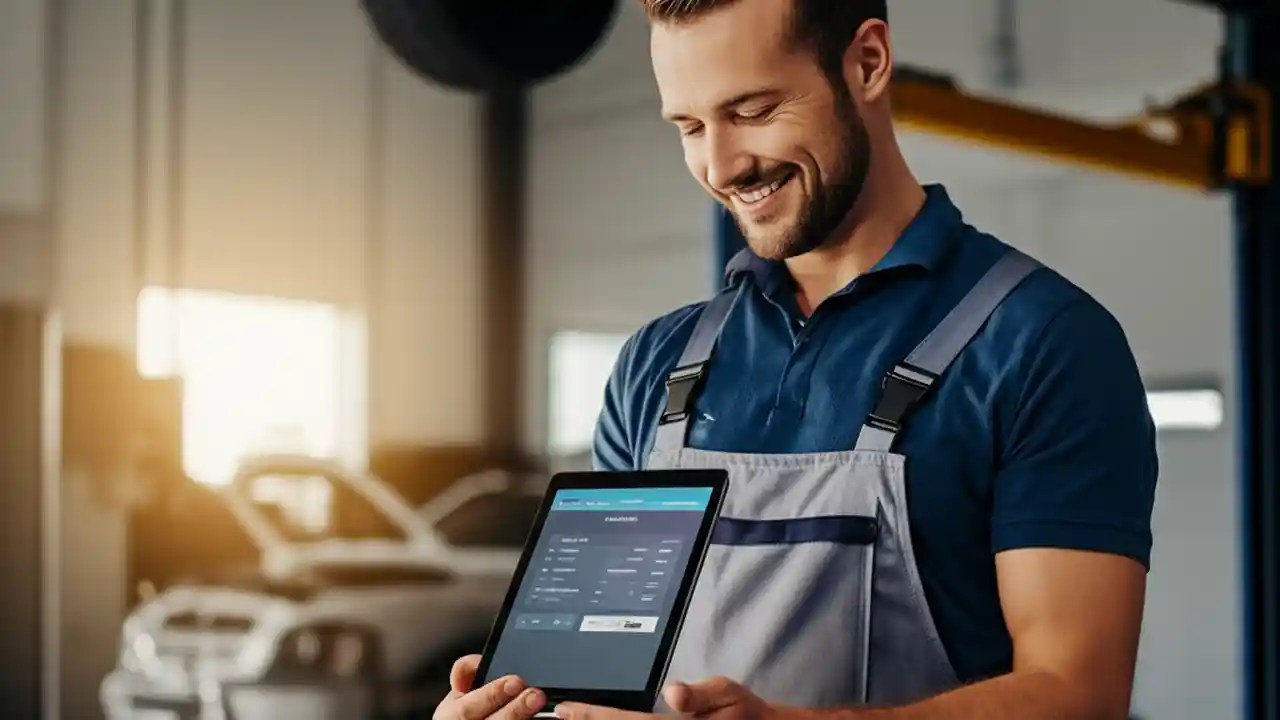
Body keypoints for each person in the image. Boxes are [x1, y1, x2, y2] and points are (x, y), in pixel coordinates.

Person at [435, 0, 1158, 718]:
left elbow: (1077, 694)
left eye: (752, 111)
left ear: (867, 62)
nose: (722, 166)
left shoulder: (1043, 343)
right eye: (690, 127)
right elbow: (589, 683)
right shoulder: (655, 365)